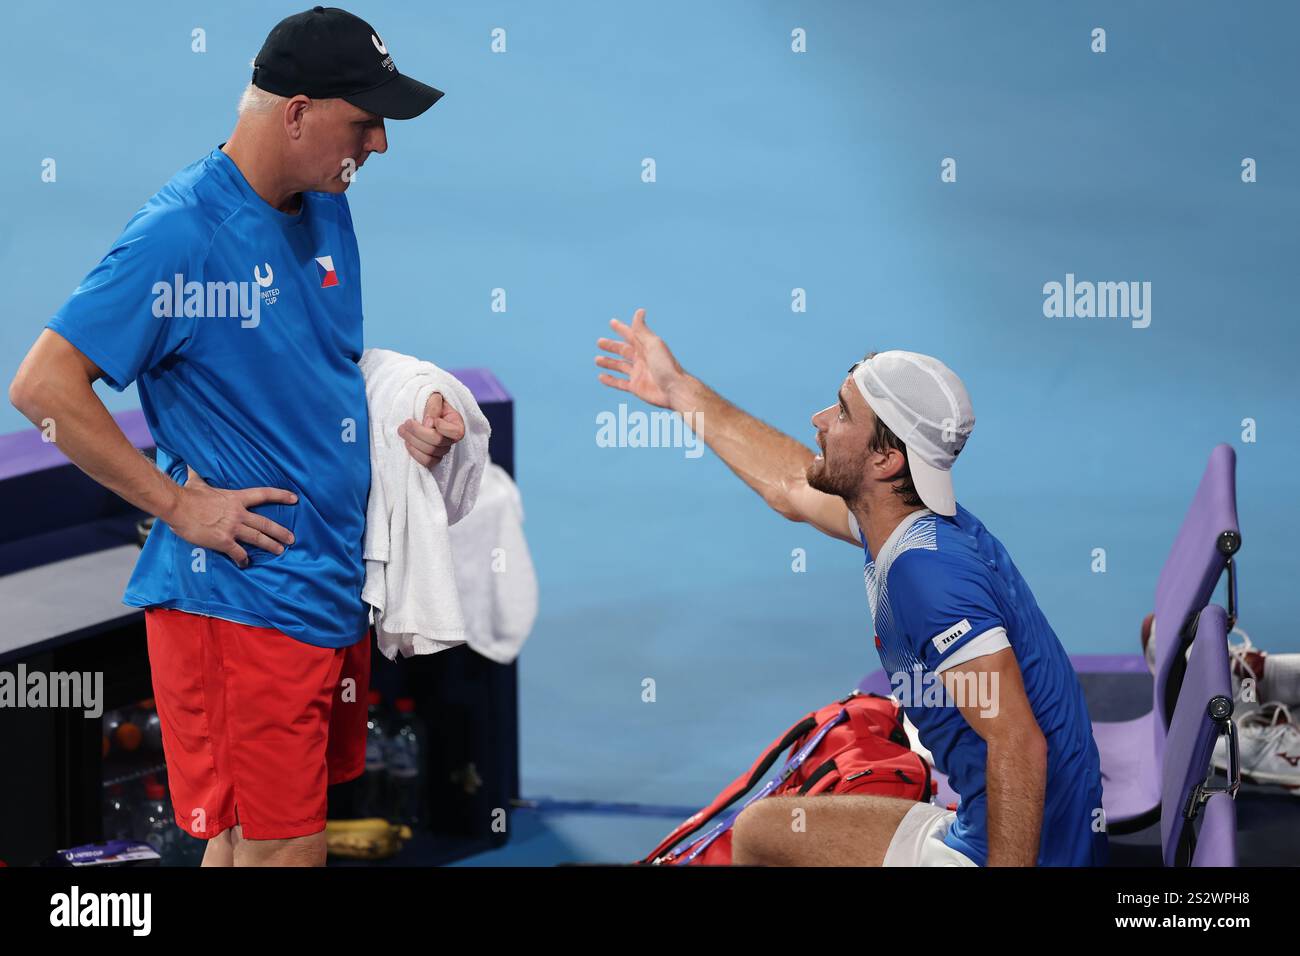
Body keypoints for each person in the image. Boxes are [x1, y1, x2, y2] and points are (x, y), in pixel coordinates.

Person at [8, 7, 463, 866]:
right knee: (283, 852)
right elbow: (44, 387)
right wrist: (177, 505)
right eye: (364, 122)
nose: (379, 145)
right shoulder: (181, 234)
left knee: (253, 845)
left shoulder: (324, 206)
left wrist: (414, 411)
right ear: (296, 113)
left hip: (321, 588)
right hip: (241, 602)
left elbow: (318, 367)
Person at [595, 309, 1108, 866]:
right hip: (991, 825)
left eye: (841, 413)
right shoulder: (905, 521)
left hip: (1026, 852)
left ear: (886, 458)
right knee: (766, 830)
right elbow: (789, 485)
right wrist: (680, 390)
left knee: (764, 841)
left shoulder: (927, 576)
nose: (818, 419)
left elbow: (1019, 745)